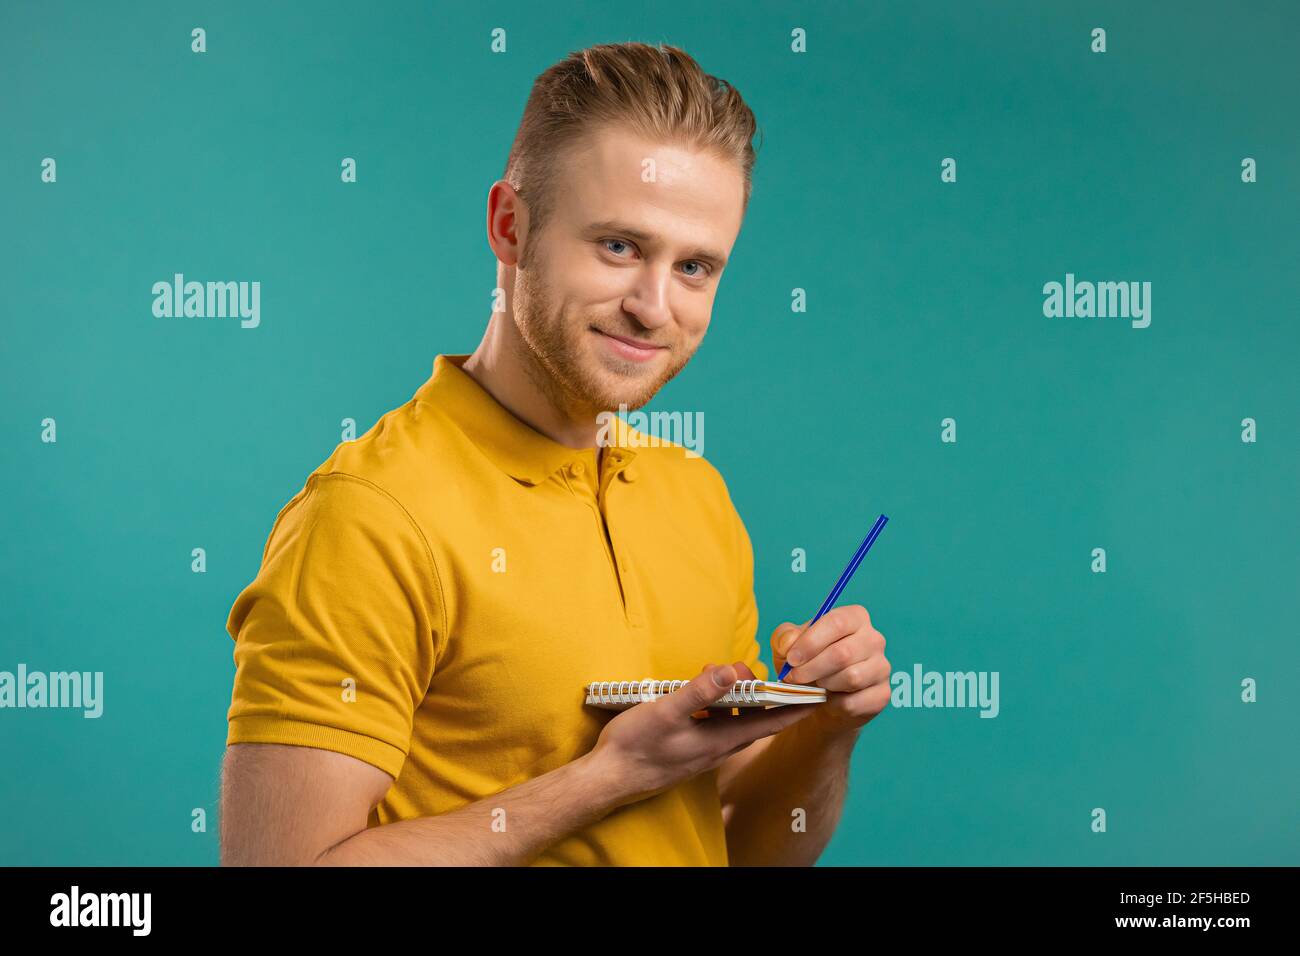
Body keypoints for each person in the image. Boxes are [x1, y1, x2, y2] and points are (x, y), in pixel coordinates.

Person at [219, 41, 891, 867]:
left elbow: (745, 848)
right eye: (618, 247)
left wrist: (826, 729)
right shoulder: (368, 516)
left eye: (695, 266)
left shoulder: (697, 498)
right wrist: (611, 776)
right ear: (511, 226)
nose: (654, 306)